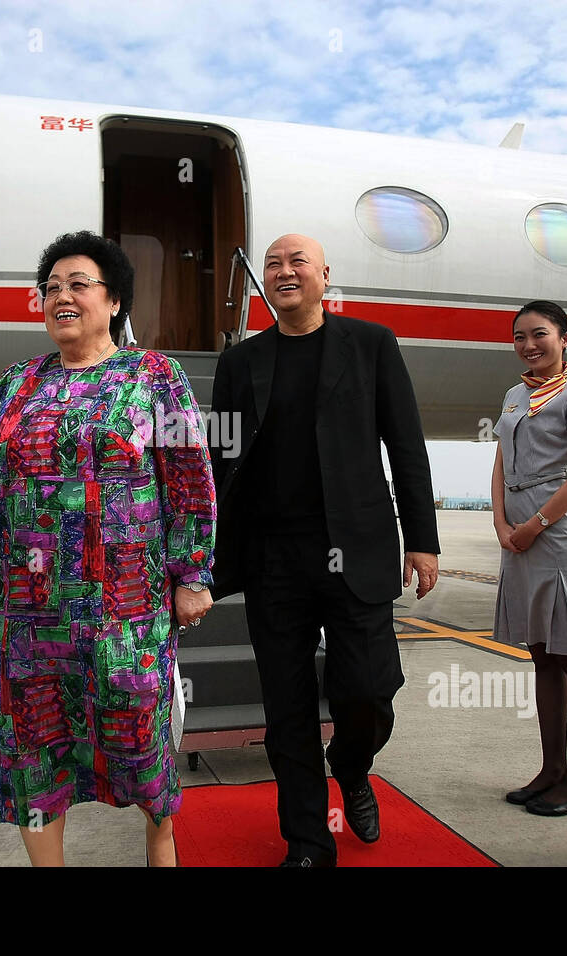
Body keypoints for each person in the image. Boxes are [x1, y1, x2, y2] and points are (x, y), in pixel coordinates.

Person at [0, 230, 215, 867]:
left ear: (115, 301)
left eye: (78, 285)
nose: (61, 297)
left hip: (124, 603)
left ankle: (161, 841)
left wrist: (193, 570)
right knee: (33, 744)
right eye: (51, 288)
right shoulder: (15, 384)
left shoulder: (156, 377)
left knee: (137, 735)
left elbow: (188, 476)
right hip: (24, 607)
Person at [209, 233, 440, 867]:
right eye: (274, 265)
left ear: (323, 275)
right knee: (286, 708)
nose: (284, 273)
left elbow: (406, 443)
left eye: (296, 263)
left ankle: (354, 767)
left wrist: (421, 539)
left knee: (366, 689)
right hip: (273, 558)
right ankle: (308, 843)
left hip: (356, 549)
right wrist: (201, 549)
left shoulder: (370, 344)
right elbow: (219, 459)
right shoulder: (240, 362)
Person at [491, 301, 567, 817]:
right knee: (542, 654)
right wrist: (500, 524)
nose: (528, 345)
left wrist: (534, 525)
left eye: (539, 334)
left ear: (565, 337)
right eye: (519, 337)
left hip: (558, 535)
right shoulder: (516, 394)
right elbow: (500, 463)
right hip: (517, 533)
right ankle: (551, 769)